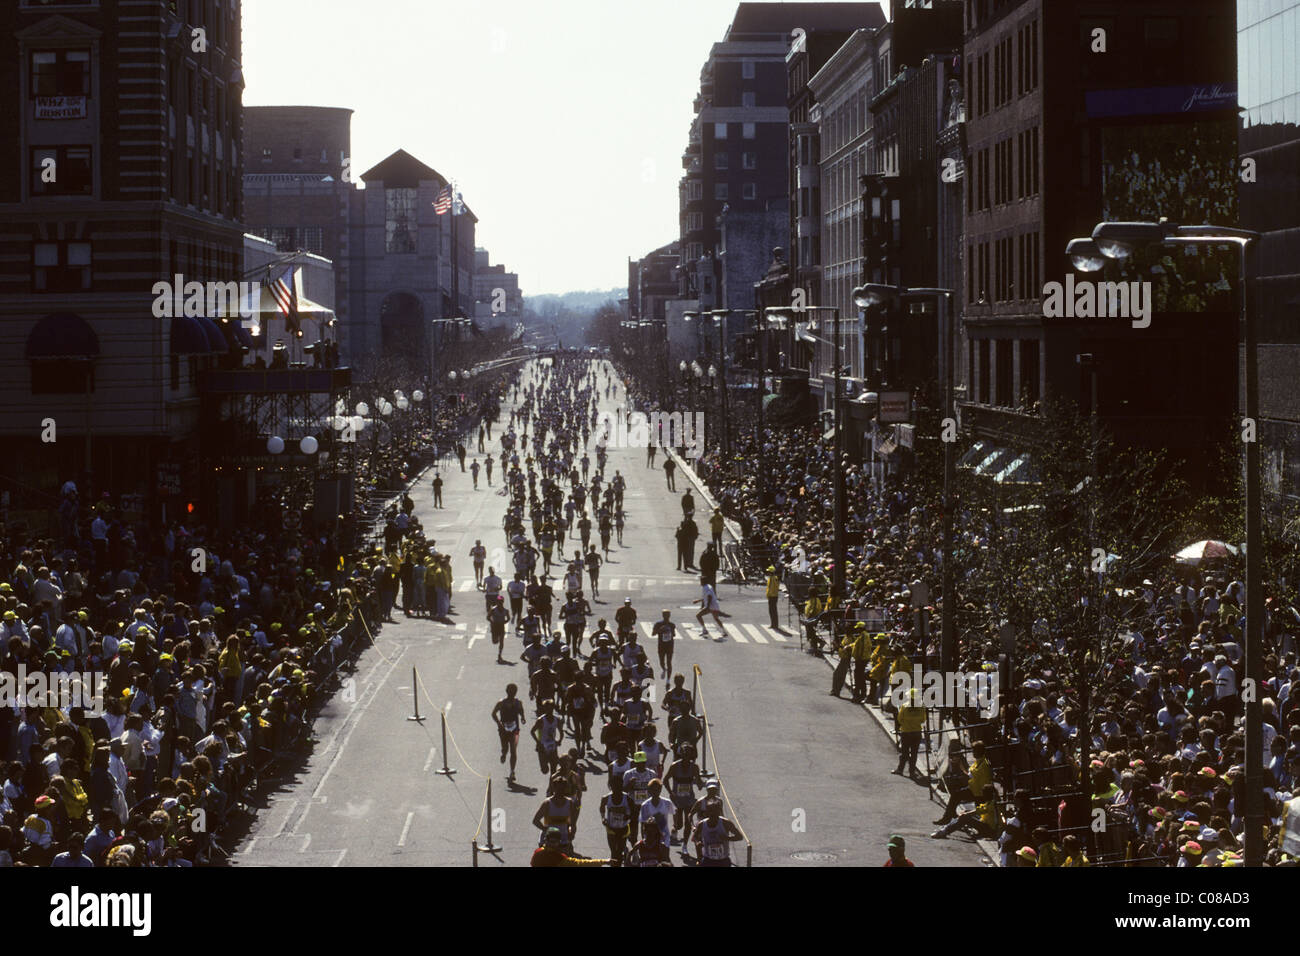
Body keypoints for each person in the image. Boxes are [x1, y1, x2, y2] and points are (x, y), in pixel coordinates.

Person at [691, 801, 743, 866]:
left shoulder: (726, 823)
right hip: (708, 860)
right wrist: (698, 842)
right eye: (710, 811)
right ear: (706, 812)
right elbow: (694, 837)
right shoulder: (701, 824)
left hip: (723, 860)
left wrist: (727, 838)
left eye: (715, 811)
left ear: (719, 812)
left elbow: (740, 836)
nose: (713, 813)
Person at [530, 826, 607, 867]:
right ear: (545, 840)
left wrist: (602, 861)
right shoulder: (559, 857)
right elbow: (579, 864)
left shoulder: (538, 852)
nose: (552, 844)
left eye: (554, 842)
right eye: (551, 841)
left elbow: (579, 863)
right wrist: (603, 862)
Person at [601, 776, 634, 866]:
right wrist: (603, 818)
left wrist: (628, 816)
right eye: (614, 786)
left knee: (619, 851)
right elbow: (601, 808)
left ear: (621, 786)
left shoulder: (627, 798)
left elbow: (634, 812)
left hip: (623, 828)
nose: (617, 789)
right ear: (611, 786)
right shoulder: (606, 798)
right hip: (611, 828)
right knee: (613, 852)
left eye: (619, 786)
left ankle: (621, 858)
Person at [894, 688, 927, 778]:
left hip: (906, 732)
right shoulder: (921, 707)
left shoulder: (904, 706)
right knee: (914, 753)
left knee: (904, 753)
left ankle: (900, 769)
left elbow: (899, 719)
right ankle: (912, 772)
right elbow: (923, 720)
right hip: (917, 732)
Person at [652, 610, 677, 679]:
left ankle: (668, 679)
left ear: (669, 616)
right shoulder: (658, 624)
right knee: (661, 662)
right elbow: (653, 633)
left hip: (669, 645)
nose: (666, 617)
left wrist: (669, 632)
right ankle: (664, 669)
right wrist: (660, 630)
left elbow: (674, 634)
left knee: (669, 662)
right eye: (665, 615)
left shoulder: (672, 625)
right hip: (661, 645)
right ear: (663, 615)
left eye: (668, 615)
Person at [488, 596, 511, 663]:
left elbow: (508, 618)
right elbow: (488, 617)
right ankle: (496, 638)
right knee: (495, 642)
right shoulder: (493, 609)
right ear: (497, 602)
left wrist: (505, 622)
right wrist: (492, 622)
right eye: (498, 601)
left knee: (501, 641)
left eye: (501, 601)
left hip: (501, 626)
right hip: (495, 627)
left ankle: (499, 654)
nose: (500, 603)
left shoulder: (505, 610)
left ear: (503, 602)